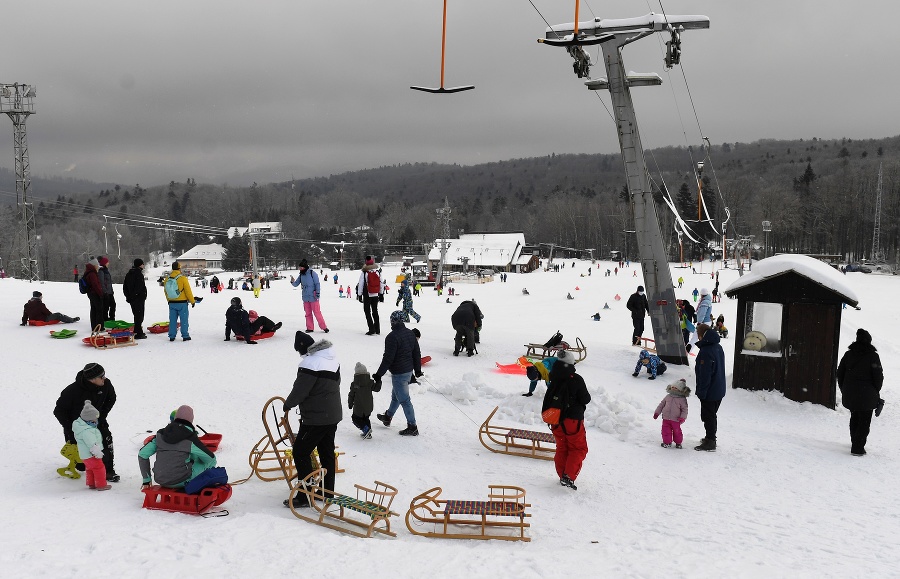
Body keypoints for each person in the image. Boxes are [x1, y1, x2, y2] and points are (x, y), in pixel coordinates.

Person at [283, 332, 342, 508]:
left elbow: (300, 390)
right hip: (332, 415)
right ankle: (326, 491)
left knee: (300, 452)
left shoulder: (310, 363)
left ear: (302, 348)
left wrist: (288, 404)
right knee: (326, 453)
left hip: (316, 417)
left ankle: (304, 495)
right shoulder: (331, 360)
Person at [54, 363, 119, 482]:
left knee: (106, 441)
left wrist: (102, 414)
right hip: (77, 427)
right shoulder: (71, 391)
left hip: (97, 421)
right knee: (82, 464)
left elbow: (112, 398)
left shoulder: (106, 384)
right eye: (101, 376)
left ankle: (109, 471)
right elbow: (59, 411)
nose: (104, 378)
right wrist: (71, 429)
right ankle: (84, 465)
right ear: (92, 379)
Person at [541, 350, 590, 490]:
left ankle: (562, 474)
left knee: (562, 447)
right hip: (573, 420)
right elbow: (585, 399)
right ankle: (568, 476)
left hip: (556, 419)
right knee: (578, 448)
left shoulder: (554, 376)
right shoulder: (576, 379)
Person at [138, 405, 217, 489]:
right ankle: (203, 484)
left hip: (160, 479)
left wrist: (146, 479)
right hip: (182, 480)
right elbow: (210, 458)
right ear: (191, 419)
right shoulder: (190, 437)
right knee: (209, 461)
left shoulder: (161, 434)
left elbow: (142, 454)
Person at [374, 311, 423, 436]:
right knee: (396, 396)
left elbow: (388, 358)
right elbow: (416, 353)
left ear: (393, 321)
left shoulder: (392, 337)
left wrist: (379, 375)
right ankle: (388, 417)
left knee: (405, 400)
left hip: (399, 373)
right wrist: (417, 370)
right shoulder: (410, 334)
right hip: (408, 371)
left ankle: (412, 427)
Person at [837, 328, 884, 456]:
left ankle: (855, 442)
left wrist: (844, 389)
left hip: (851, 393)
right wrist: (875, 391)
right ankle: (857, 448)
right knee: (864, 420)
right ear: (869, 341)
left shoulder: (848, 355)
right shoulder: (873, 356)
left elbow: (840, 373)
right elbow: (878, 376)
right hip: (867, 395)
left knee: (855, 417)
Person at [694, 323, 726, 451]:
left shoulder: (706, 351)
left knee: (708, 416)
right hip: (719, 388)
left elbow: (705, 374)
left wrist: (701, 392)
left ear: (701, 335)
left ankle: (710, 441)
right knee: (711, 415)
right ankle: (710, 437)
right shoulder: (717, 347)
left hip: (710, 391)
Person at [72, 401, 111, 491]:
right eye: (94, 420)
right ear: (88, 420)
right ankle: (101, 485)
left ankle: (91, 483)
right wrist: (97, 453)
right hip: (92, 454)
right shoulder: (87, 431)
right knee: (99, 468)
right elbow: (92, 444)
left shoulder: (82, 428)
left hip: (85, 455)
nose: (96, 421)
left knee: (90, 469)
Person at [292, 259, 329, 333]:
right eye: (299, 268)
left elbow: (317, 284)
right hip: (305, 297)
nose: (300, 269)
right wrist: (292, 281)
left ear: (305, 267)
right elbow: (296, 284)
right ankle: (310, 328)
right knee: (308, 314)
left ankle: (324, 327)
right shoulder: (301, 275)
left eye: (301, 267)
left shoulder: (312, 273)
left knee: (317, 313)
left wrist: (317, 294)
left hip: (313, 297)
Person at [653, 378, 691, 448]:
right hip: (666, 418)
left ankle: (678, 443)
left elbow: (684, 409)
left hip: (676, 419)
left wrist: (682, 417)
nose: (673, 389)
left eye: (676, 388)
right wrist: (657, 413)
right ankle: (667, 442)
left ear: (680, 389)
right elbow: (661, 404)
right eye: (672, 387)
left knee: (677, 432)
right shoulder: (668, 396)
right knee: (665, 431)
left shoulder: (682, 399)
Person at [164, 261, 196, 341]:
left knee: (172, 320)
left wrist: (168, 300)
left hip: (172, 302)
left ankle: (172, 336)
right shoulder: (182, 278)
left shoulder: (167, 279)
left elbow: (166, 291)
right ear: (179, 268)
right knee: (184, 320)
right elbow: (188, 291)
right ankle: (185, 335)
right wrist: (192, 301)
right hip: (182, 303)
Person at [348, 362, 379, 439]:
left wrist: (350, 403)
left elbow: (351, 395)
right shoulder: (370, 382)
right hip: (369, 406)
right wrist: (379, 381)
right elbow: (377, 388)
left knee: (355, 418)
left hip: (359, 407)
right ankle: (368, 433)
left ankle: (366, 430)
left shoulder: (354, 384)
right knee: (365, 418)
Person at [122, 258, 148, 339]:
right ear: (140, 265)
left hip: (132, 299)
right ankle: (138, 333)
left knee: (136, 315)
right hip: (138, 298)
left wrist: (128, 296)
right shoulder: (138, 274)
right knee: (139, 316)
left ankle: (138, 331)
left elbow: (125, 287)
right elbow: (139, 287)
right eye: (142, 264)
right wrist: (139, 295)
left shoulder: (129, 274)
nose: (143, 265)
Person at [83, 258, 105, 330]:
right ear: (94, 265)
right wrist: (101, 294)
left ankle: (94, 326)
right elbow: (95, 285)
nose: (98, 267)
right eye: (97, 266)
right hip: (95, 294)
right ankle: (99, 327)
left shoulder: (88, 272)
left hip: (91, 294)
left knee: (94, 310)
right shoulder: (92, 274)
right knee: (98, 310)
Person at [97, 256, 116, 321]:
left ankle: (112, 318)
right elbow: (101, 283)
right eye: (107, 262)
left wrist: (111, 291)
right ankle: (105, 318)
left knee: (113, 305)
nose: (108, 263)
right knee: (106, 306)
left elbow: (109, 282)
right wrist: (105, 292)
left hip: (110, 292)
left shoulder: (106, 271)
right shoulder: (101, 271)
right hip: (105, 292)